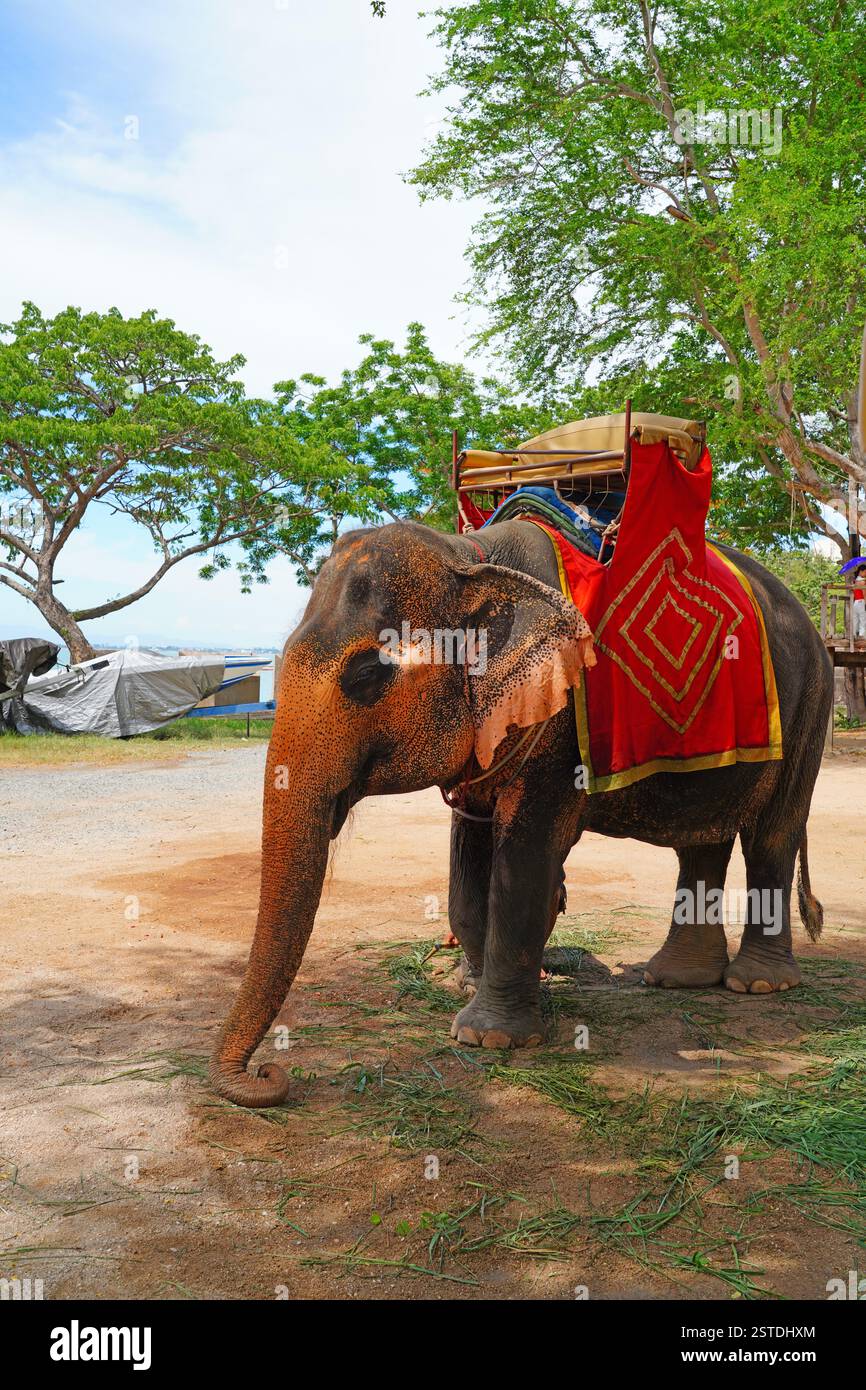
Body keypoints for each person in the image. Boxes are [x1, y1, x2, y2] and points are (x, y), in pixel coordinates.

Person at [853, 563, 866, 639]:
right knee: (863, 620)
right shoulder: (863, 582)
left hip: (855, 602)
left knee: (855, 620)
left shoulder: (855, 581)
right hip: (861, 601)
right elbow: (864, 594)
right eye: (865, 572)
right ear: (861, 571)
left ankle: (854, 636)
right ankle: (861, 637)